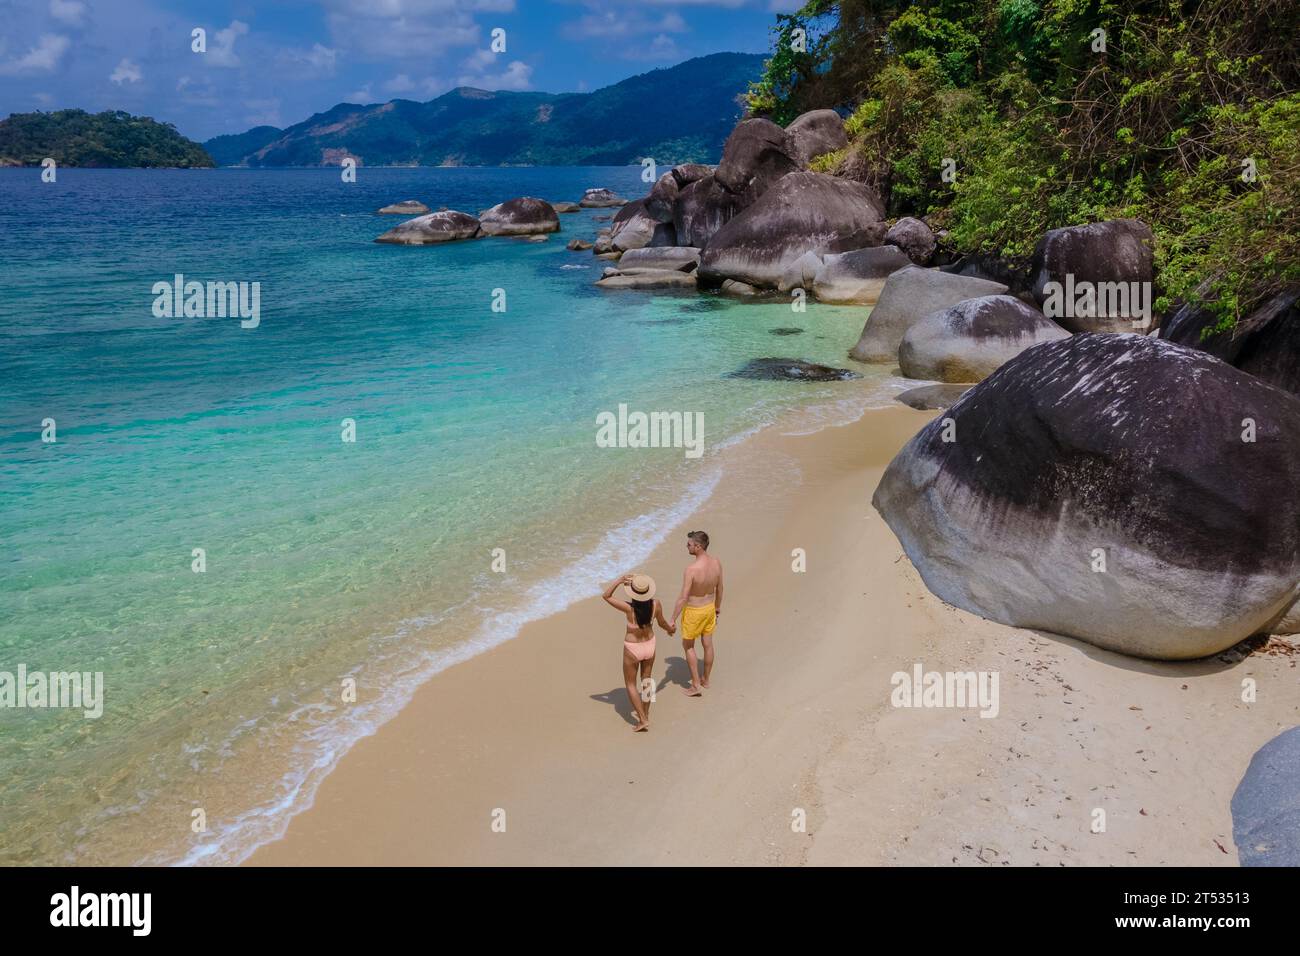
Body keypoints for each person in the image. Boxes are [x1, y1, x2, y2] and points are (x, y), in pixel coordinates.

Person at [602, 572, 673, 731]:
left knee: (630, 684)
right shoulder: (656, 604)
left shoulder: (628, 608)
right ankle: (645, 714)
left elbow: (606, 596)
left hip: (633, 648)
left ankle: (642, 720)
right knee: (647, 680)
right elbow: (662, 623)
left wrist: (620, 580)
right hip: (650, 645)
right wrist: (670, 630)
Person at [670, 530, 722, 697]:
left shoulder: (691, 569)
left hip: (694, 611)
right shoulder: (716, 562)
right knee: (708, 643)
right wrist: (717, 607)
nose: (687, 546)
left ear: (698, 546)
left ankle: (695, 684)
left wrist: (672, 619)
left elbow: (683, 598)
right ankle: (706, 680)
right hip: (709, 608)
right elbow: (720, 588)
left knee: (688, 646)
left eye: (689, 544)